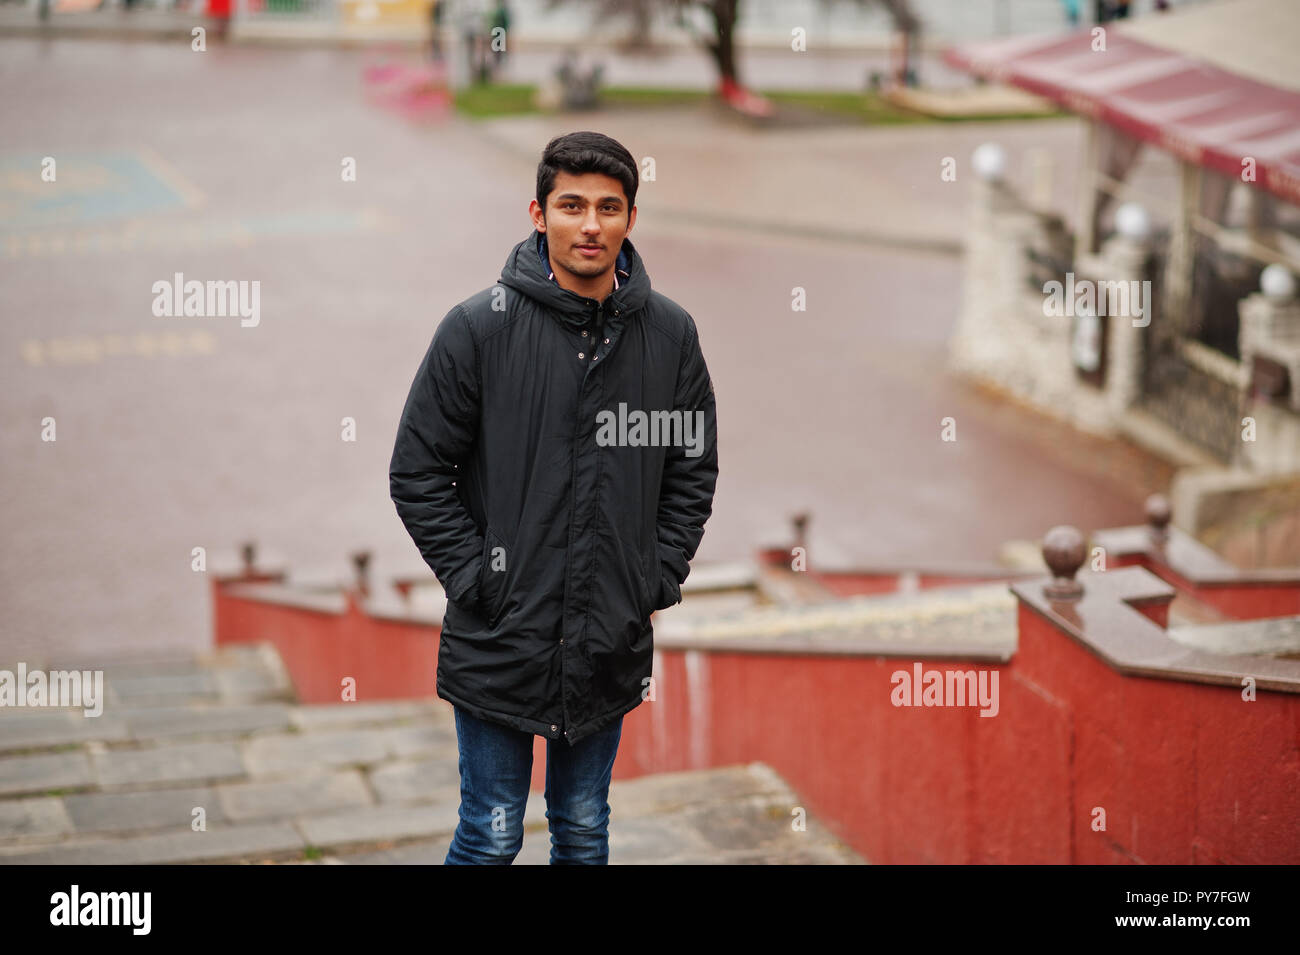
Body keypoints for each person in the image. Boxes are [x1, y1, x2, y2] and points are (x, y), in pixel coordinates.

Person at [389, 131, 719, 865]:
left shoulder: (670, 337)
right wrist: (479, 581)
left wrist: (651, 578)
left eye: (609, 207)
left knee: (582, 827)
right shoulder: (477, 330)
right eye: (572, 205)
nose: (591, 224)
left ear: (632, 218)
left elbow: (692, 471)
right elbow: (416, 470)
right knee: (492, 833)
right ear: (538, 214)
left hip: (609, 636)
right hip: (498, 636)